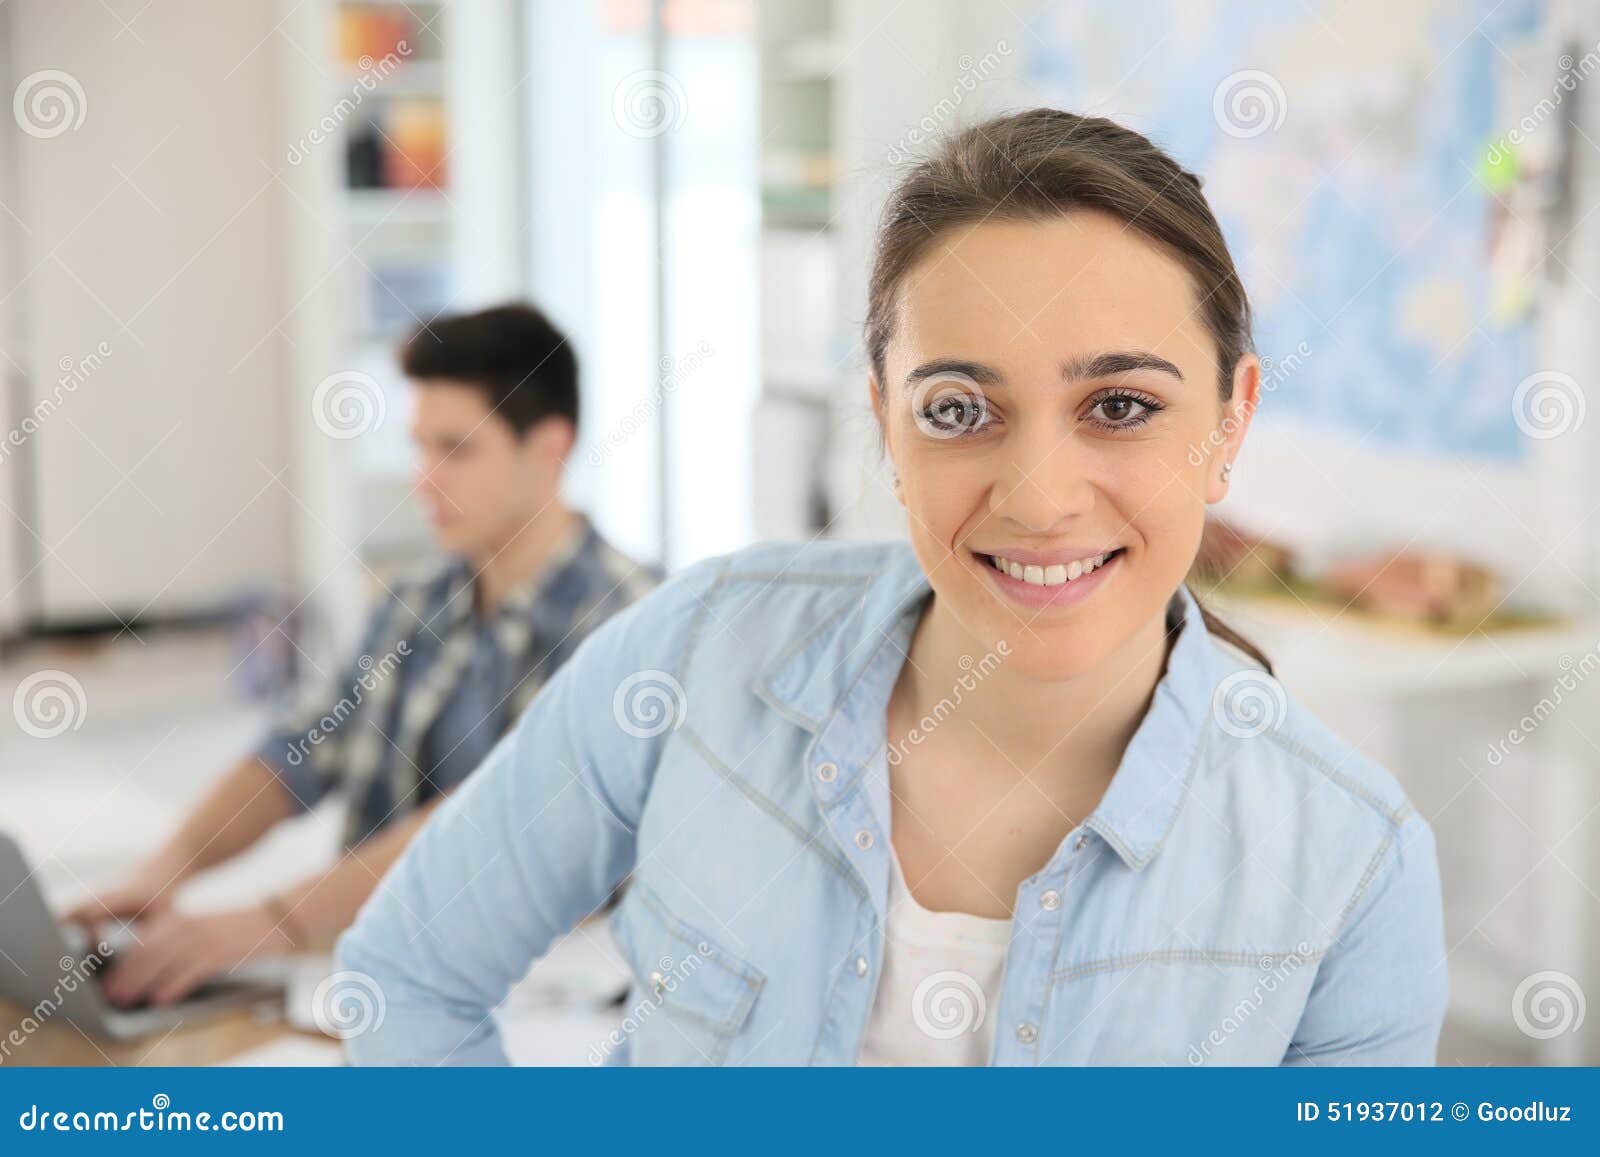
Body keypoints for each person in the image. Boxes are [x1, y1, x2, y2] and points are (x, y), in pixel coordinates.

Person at [335, 110, 1449, 1066]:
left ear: (1230, 422)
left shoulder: (1351, 865)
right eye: (959, 409)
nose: (1039, 498)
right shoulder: (696, 649)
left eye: (1120, 407)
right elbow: (407, 976)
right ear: (885, 421)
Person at [68, 303, 661, 1008]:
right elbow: (298, 752)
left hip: (536, 1008)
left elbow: (492, 818)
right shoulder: (415, 598)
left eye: (456, 450)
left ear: (550, 448)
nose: (423, 479)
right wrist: (167, 868)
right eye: (420, 447)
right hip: (369, 981)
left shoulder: (631, 622)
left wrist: (274, 923)